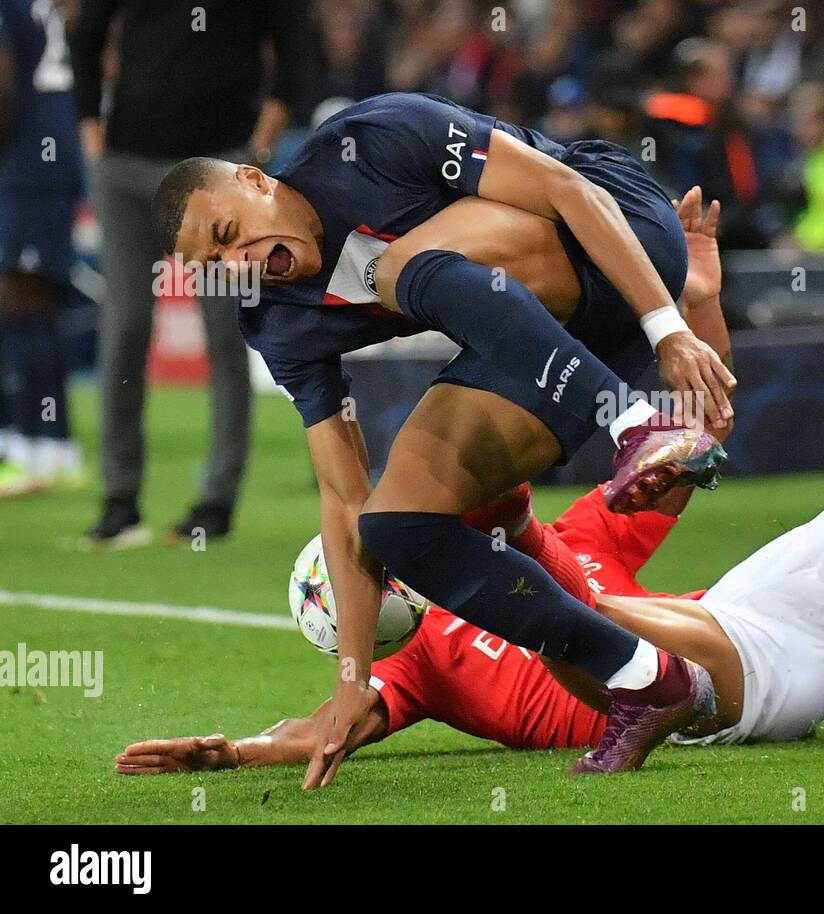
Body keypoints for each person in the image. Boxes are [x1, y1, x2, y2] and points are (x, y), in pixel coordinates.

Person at [115, 424, 824, 776]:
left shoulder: (557, 534)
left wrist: (696, 323)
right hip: (741, 686)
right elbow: (326, 723)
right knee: (574, 612)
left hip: (749, 608)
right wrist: (233, 752)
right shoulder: (415, 674)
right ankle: (641, 695)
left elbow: (689, 450)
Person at [153, 99, 736, 781]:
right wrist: (352, 682)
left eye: (228, 233)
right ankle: (643, 678)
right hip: (547, 334)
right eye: (217, 266)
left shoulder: (373, 141)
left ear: (255, 180)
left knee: (399, 268)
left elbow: (564, 189)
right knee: (397, 523)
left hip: (615, 226)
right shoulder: (275, 323)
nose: (239, 263)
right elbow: (344, 497)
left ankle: (635, 425)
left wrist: (667, 328)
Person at [70, 0, 312, 546]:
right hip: (127, 163)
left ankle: (217, 501)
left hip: (219, 170)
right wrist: (93, 134)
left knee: (227, 334)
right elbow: (85, 35)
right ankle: (120, 500)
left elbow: (296, 51)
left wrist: (258, 146)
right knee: (126, 322)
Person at [0, 0, 85, 497]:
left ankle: (25, 443)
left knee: (17, 301)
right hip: (48, 153)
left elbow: (3, 86)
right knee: (38, 303)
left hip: (26, 161)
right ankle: (53, 445)